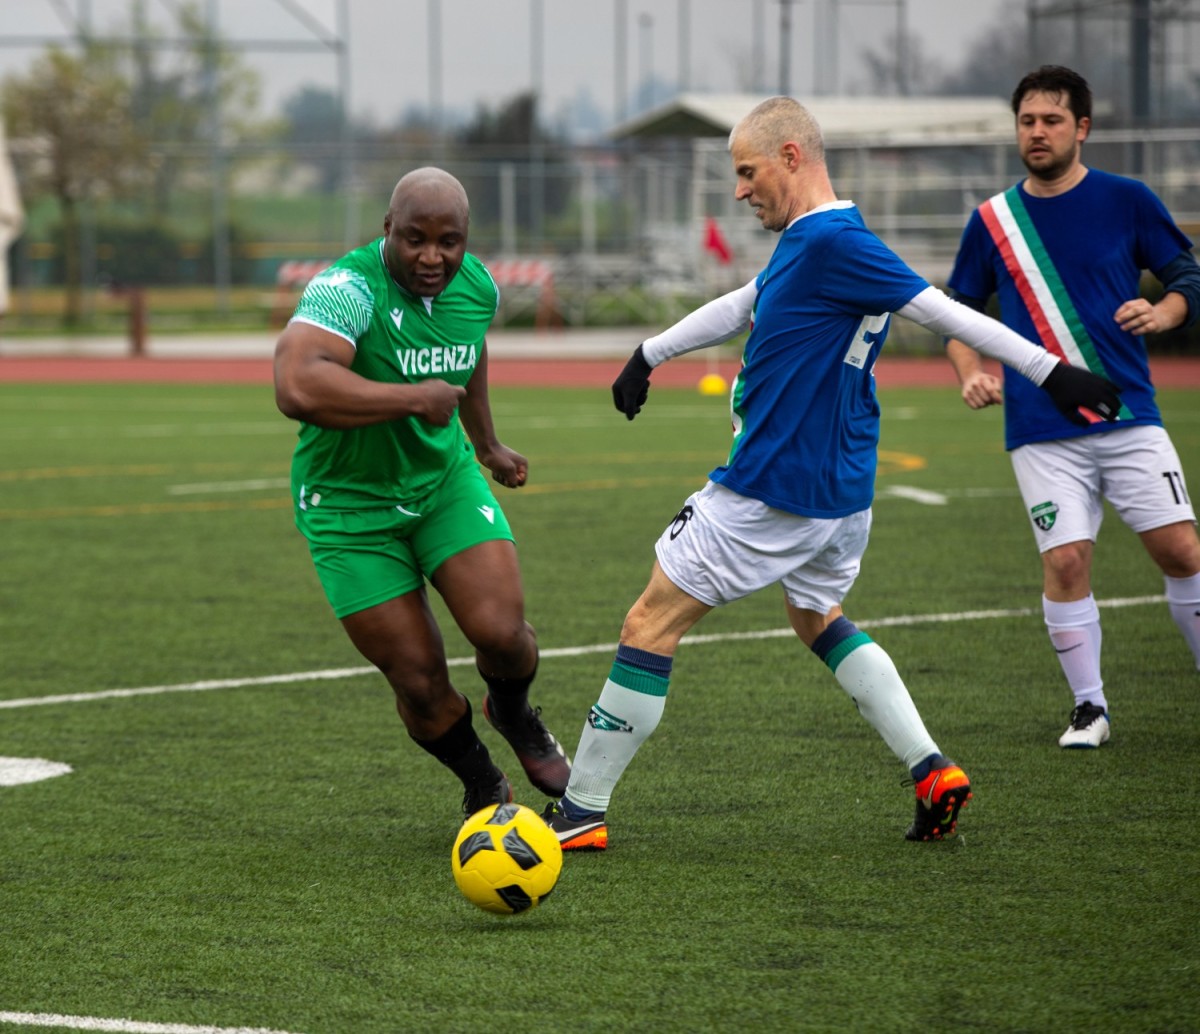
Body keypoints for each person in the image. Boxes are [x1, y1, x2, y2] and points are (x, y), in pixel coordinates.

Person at [540, 96, 1123, 851]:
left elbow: (942, 311)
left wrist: (1052, 373)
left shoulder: (836, 245)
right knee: (815, 618)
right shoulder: (807, 242)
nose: (740, 190)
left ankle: (581, 810)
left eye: (747, 172)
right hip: (841, 491)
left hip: (773, 488)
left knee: (647, 624)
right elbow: (743, 303)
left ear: (791, 157)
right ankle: (930, 769)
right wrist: (650, 353)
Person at [273, 167, 570, 820]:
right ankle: (481, 780)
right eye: (414, 239)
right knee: (417, 680)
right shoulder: (346, 289)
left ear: (466, 239)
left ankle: (513, 711)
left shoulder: (476, 286)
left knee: (503, 633)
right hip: (348, 509)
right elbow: (295, 386)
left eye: (448, 241)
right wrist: (414, 398)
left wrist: (487, 443)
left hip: (442, 485)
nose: (432, 257)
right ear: (387, 230)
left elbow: (468, 348)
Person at [945, 66, 1200, 749]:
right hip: (1038, 428)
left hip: (1129, 414)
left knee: (1180, 551)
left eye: (1052, 120)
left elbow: (1187, 277)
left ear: (1081, 128)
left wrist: (1165, 309)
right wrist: (971, 371)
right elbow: (957, 315)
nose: (1037, 132)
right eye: (1027, 120)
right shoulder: (993, 221)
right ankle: (1090, 708)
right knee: (1065, 563)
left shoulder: (1127, 200)